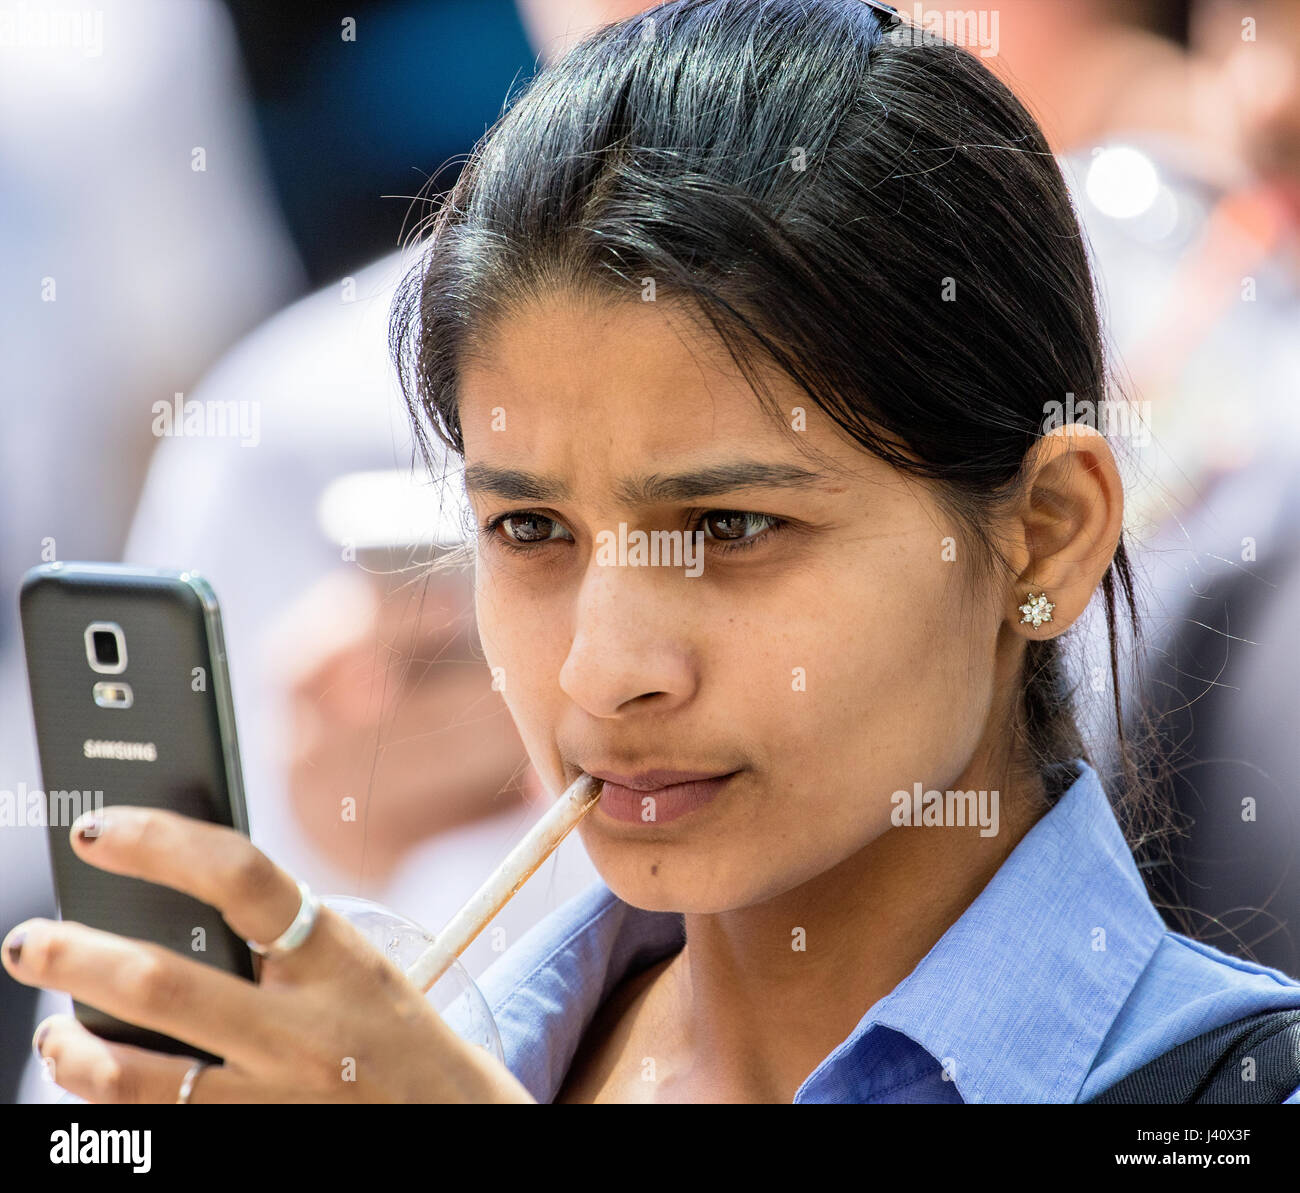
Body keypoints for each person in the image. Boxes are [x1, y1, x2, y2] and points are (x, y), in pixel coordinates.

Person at [7, 0, 1300, 1104]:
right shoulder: (434, 1047)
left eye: (734, 528)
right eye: (529, 531)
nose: (603, 670)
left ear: (1047, 532)